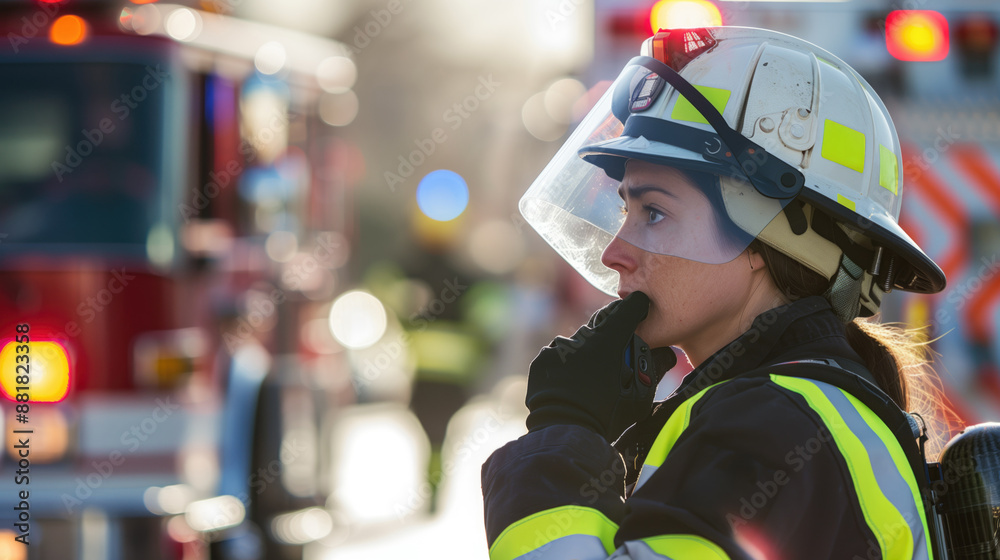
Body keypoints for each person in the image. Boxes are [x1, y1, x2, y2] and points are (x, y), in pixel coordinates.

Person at [481, 26, 953, 560]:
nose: (615, 252)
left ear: (763, 236)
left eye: (653, 212)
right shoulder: (797, 411)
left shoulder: (768, 430)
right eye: (624, 211)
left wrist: (562, 437)